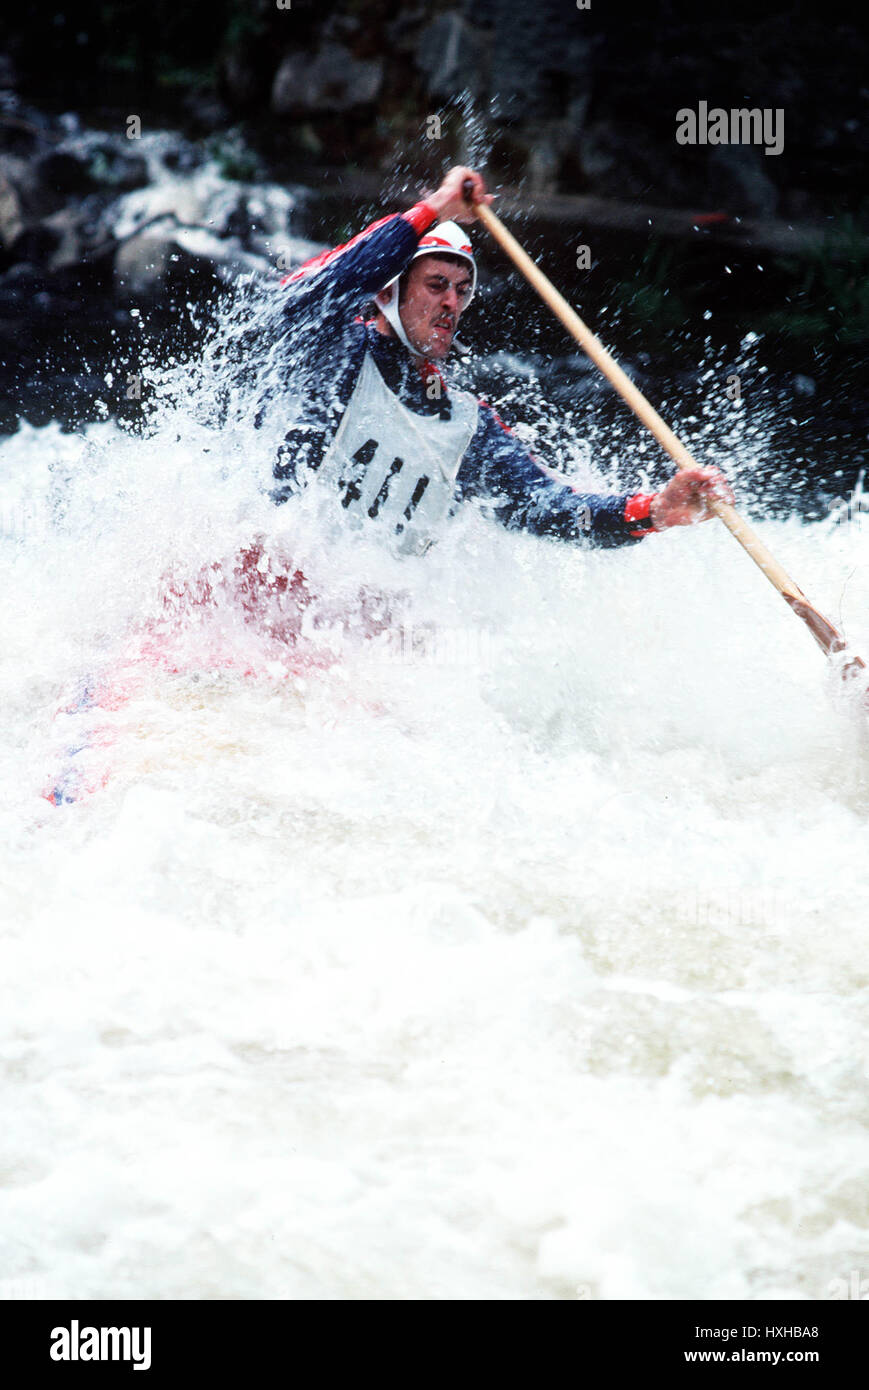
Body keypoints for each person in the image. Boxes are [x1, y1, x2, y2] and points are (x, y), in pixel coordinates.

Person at [265, 165, 733, 562]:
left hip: (353, 627)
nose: (451, 301)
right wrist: (433, 209)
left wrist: (654, 511)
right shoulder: (334, 353)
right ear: (386, 293)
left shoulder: (464, 423)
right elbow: (314, 288)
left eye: (462, 290)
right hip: (272, 585)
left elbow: (546, 507)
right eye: (435, 284)